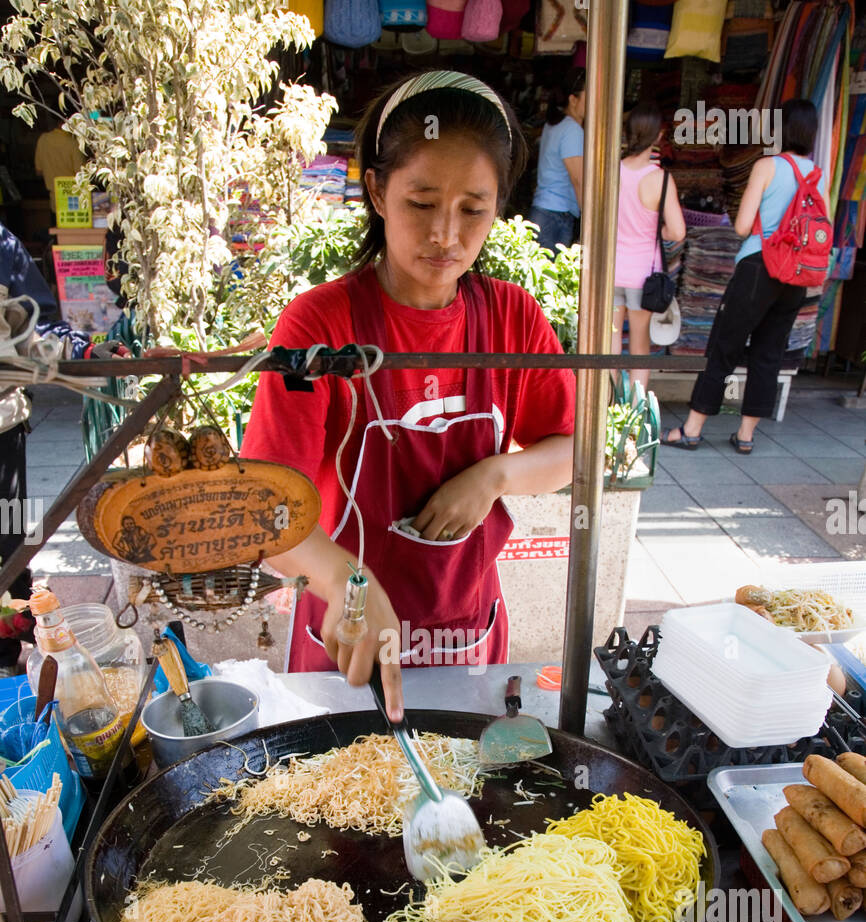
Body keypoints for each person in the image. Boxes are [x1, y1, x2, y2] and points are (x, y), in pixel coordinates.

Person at [241, 71, 576, 721]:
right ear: (376, 191)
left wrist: (494, 474)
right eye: (422, 203)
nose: (446, 235)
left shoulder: (512, 319)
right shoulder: (319, 326)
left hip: (467, 629)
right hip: (345, 638)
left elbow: (571, 451)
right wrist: (345, 579)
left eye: (473, 208)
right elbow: (267, 510)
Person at [0, 220, 126, 676]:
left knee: (11, 535)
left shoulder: (2, 246)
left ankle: (8, 658)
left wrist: (85, 351)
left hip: (2, 430)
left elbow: (39, 326)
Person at [664, 100, 823, 454]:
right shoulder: (817, 174)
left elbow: (741, 225)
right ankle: (746, 436)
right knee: (770, 351)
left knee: (724, 346)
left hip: (758, 267)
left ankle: (692, 429)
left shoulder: (767, 166)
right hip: (795, 274)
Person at [612, 101, 686, 391]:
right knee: (640, 347)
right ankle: (636, 412)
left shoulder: (611, 171)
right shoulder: (660, 179)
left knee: (610, 346)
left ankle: (607, 408)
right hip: (644, 275)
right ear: (658, 135)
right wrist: (655, 230)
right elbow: (677, 230)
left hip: (611, 270)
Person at [528, 73, 586, 253]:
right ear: (573, 99)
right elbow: (578, 179)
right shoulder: (572, 129)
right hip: (555, 216)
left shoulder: (553, 124)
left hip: (544, 211)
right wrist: (589, 217)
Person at [34, 118, 83, 214]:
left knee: (55, 228)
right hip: (76, 201)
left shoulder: (43, 140)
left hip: (54, 202)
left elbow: (39, 171)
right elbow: (82, 175)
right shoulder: (74, 143)